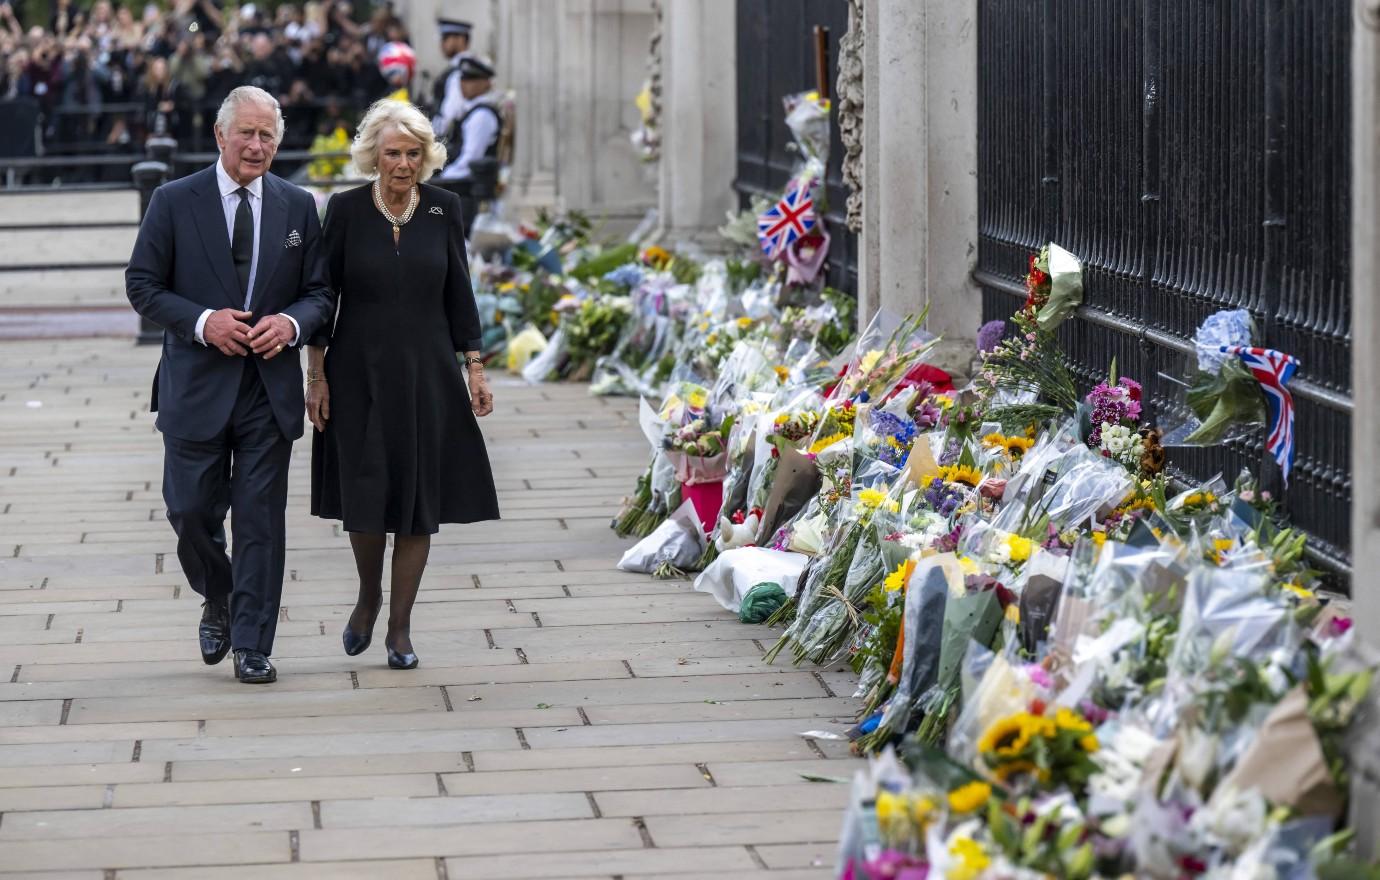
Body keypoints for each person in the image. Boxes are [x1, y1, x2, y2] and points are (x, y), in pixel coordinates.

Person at [125, 85, 336, 684]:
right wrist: (201, 322)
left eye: (268, 134)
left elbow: (321, 293)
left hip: (268, 388)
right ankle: (217, 594)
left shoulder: (298, 205)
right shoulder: (173, 200)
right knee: (190, 511)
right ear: (220, 135)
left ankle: (252, 642)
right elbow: (142, 283)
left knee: (260, 521)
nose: (257, 144)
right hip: (195, 383)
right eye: (246, 132)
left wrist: (291, 323)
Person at [305, 99, 498, 670]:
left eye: (414, 153)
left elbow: (459, 292)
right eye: (393, 153)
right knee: (365, 499)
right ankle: (368, 596)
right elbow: (322, 299)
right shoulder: (343, 211)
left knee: (417, 501)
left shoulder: (444, 209)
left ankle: (400, 628)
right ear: (374, 155)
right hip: (356, 373)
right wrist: (315, 376)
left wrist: (475, 366)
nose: (404, 164)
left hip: (427, 375)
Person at [435, 55, 500, 232]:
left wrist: (440, 180)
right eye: (463, 79)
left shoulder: (482, 116)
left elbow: (471, 160)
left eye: (471, 79)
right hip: (461, 188)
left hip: (468, 191)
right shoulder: (469, 111)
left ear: (486, 83)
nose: (465, 84)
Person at [428, 17, 468, 137]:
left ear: (460, 40)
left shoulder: (461, 71)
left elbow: (450, 113)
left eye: (445, 38)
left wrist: (433, 135)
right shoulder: (456, 68)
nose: (442, 44)